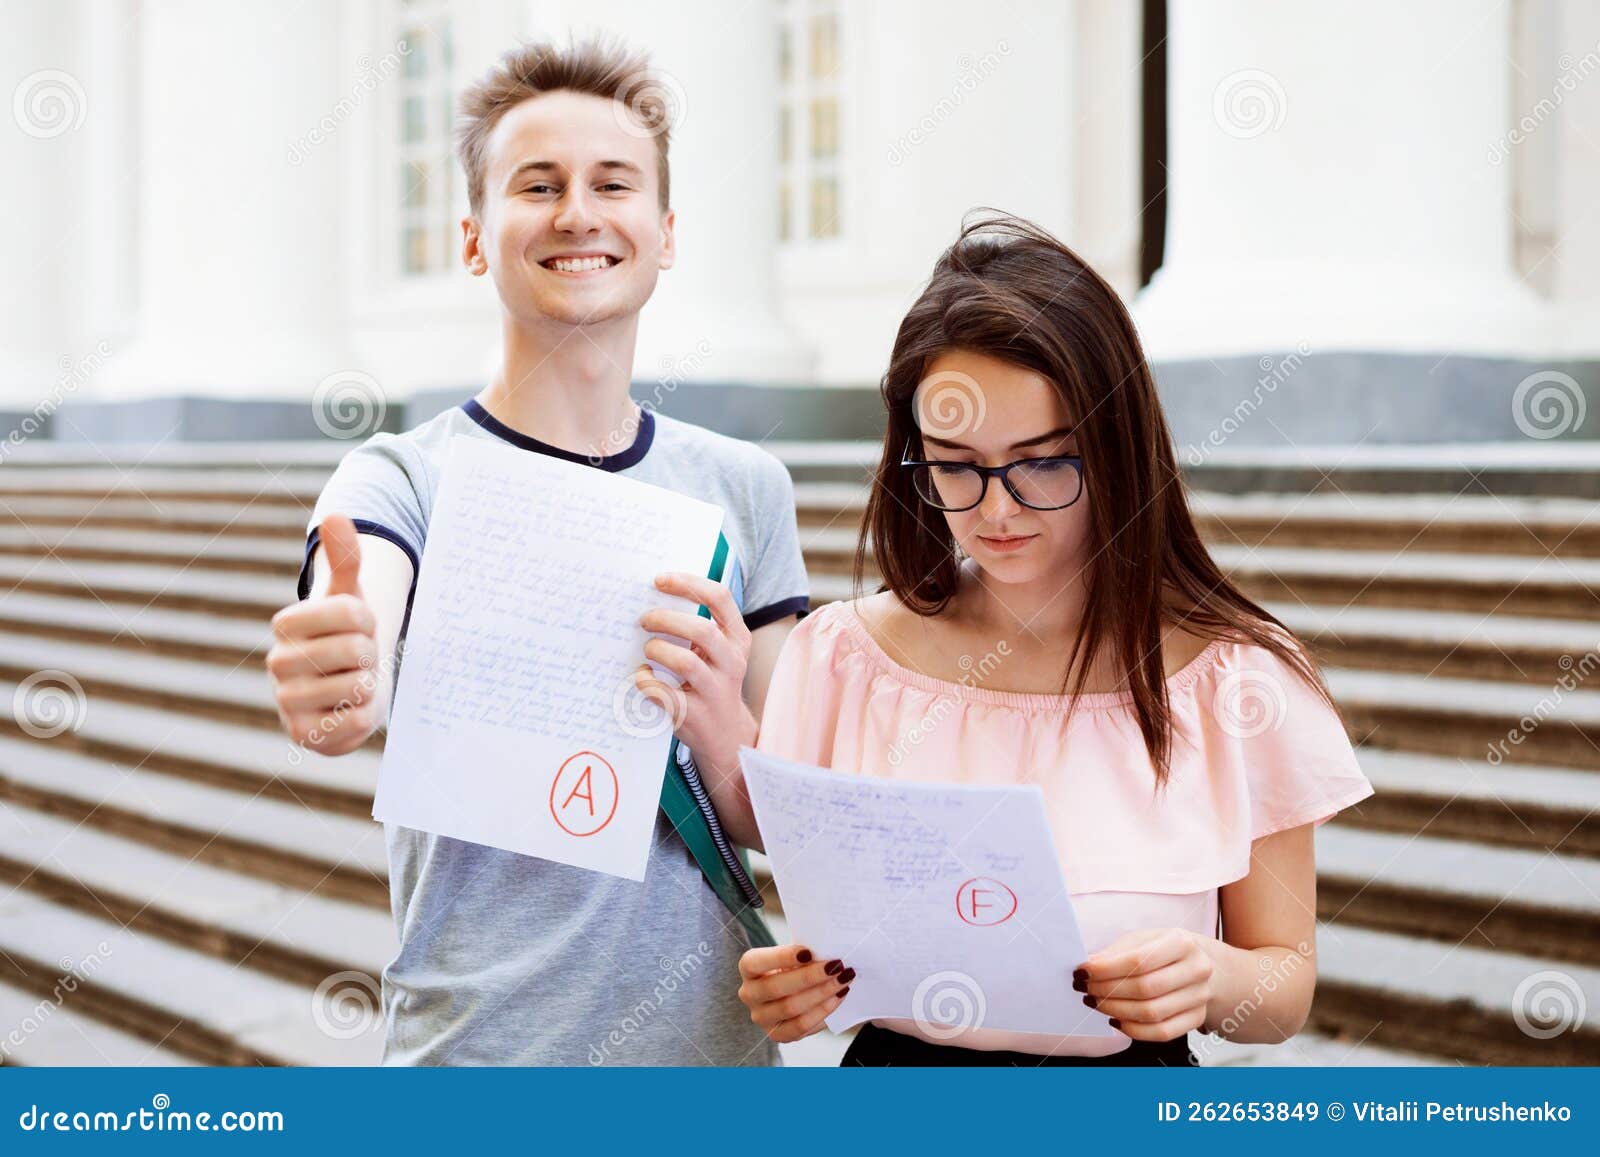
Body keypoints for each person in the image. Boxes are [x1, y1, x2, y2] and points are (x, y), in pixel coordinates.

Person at [266, 37, 808, 1065]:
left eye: (613, 182)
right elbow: (356, 639)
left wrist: (723, 718)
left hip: (717, 1062)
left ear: (664, 231)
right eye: (537, 184)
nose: (577, 212)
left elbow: (797, 804)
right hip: (479, 1056)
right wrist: (340, 673)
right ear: (474, 236)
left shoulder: (746, 489)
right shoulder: (397, 478)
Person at [735, 214, 1375, 1066]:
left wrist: (1212, 978)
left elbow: (1284, 985)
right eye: (953, 464)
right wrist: (790, 992)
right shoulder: (842, 660)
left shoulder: (1232, 681)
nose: (995, 511)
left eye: (1043, 461)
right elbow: (818, 959)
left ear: (1115, 450)